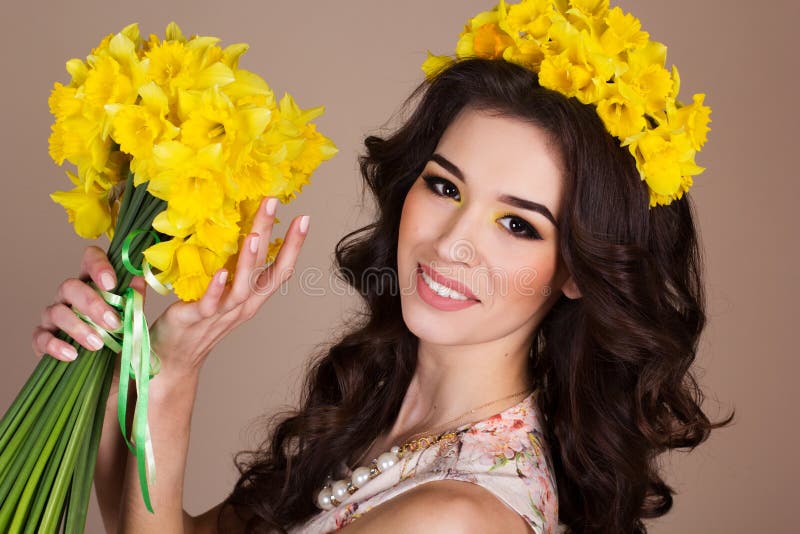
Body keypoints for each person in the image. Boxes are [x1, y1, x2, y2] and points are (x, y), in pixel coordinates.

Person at [30, 13, 729, 534]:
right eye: (445, 187)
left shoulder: (457, 518)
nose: (452, 243)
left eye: (518, 224)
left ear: (577, 270)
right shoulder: (374, 415)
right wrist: (123, 359)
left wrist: (176, 374)